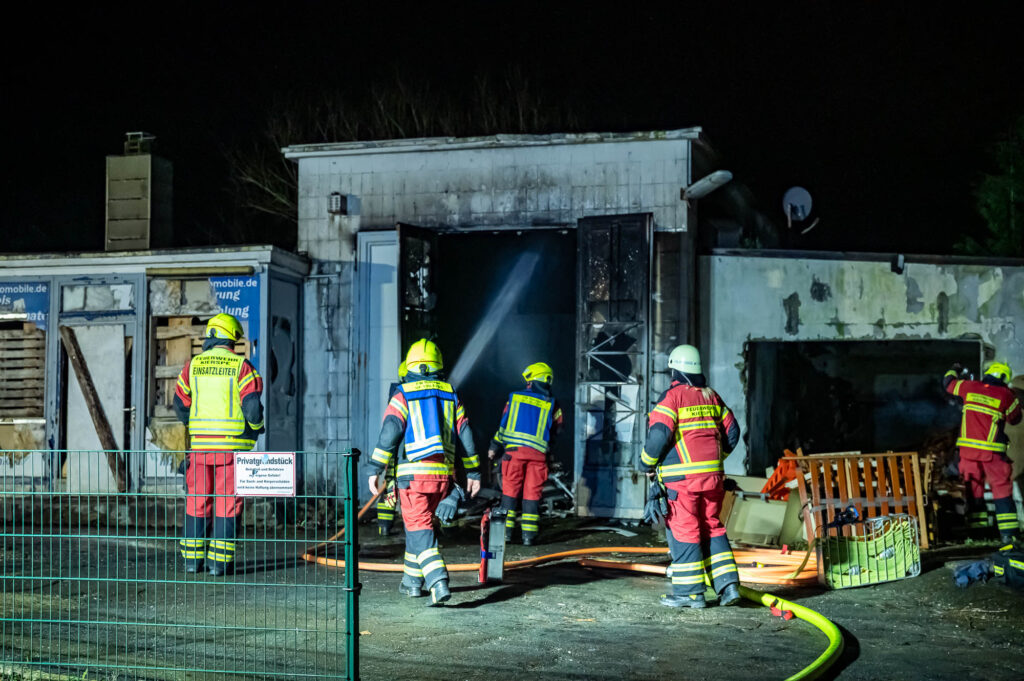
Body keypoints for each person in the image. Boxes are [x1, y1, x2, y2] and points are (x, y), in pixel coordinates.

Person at [366, 339, 481, 605]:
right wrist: (474, 471)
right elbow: (465, 431)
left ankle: (437, 580)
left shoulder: (403, 393)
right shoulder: (450, 393)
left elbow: (391, 431)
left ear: (411, 365)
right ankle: (411, 582)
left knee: (419, 530)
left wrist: (375, 466)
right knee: (419, 528)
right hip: (443, 478)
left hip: (412, 478)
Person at [640, 344, 741, 609]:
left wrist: (645, 463)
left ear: (674, 369)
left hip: (682, 481)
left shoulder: (671, 398)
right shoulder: (711, 396)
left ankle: (690, 594)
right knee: (712, 525)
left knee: (686, 530)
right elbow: (733, 432)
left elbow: (659, 435)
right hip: (713, 479)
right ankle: (728, 587)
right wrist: (716, 460)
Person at [173, 313, 264, 576]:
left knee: (197, 501)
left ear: (211, 336)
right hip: (232, 451)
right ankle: (219, 565)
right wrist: (257, 429)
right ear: (232, 339)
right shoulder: (241, 366)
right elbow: (253, 409)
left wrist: (198, 426)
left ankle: (192, 562)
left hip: (200, 450)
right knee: (228, 504)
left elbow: (180, 405)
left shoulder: (193, 366)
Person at [944, 361, 1021, 544]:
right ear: (1004, 378)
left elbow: (947, 383)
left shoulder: (969, 386)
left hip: (968, 453)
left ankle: (977, 534)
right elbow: (1015, 419)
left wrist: (955, 368)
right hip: (992, 453)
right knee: (1001, 490)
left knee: (973, 491)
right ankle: (1008, 535)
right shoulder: (1006, 395)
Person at [488, 362, 564, 545]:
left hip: (514, 454)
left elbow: (503, 425)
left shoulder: (515, 398)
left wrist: (493, 446)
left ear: (531, 380)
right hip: (538, 455)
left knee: (510, 493)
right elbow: (558, 428)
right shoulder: (552, 403)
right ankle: (528, 537)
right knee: (532, 495)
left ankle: (506, 534)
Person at [376, 361, 407, 537]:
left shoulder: (396, 394)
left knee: (390, 488)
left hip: (394, 452)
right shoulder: (406, 395)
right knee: (397, 489)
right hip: (403, 453)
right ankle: (388, 526)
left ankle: (384, 528)